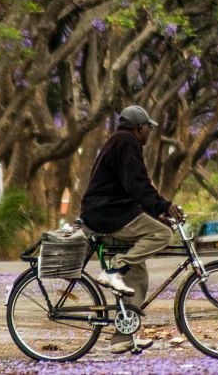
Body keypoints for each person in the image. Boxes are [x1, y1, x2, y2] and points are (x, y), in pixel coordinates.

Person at [79, 105, 184, 354]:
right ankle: (115, 268)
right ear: (139, 127)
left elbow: (130, 188)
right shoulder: (127, 142)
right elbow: (138, 184)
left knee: (138, 277)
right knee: (162, 234)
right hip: (107, 214)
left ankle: (122, 337)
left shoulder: (119, 141)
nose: (149, 133)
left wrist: (156, 212)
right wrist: (164, 206)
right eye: (148, 128)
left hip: (111, 211)